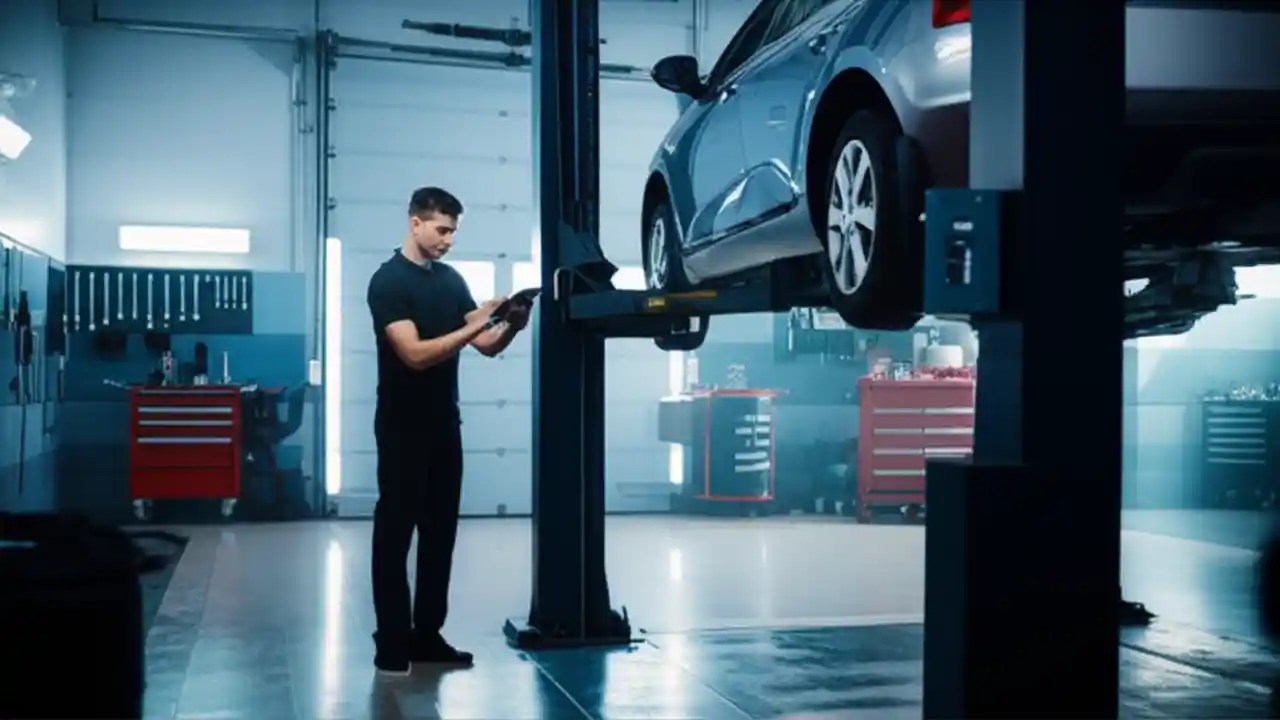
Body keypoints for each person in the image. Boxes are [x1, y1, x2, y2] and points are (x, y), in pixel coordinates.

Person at [365, 186, 530, 675]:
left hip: (443, 426)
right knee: (395, 537)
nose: (448, 240)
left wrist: (511, 324)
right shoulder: (388, 282)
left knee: (440, 537)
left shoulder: (451, 280)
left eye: (454, 231)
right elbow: (414, 355)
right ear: (415, 223)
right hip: (400, 427)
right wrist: (474, 324)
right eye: (442, 230)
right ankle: (392, 642)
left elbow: (486, 347)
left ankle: (427, 635)